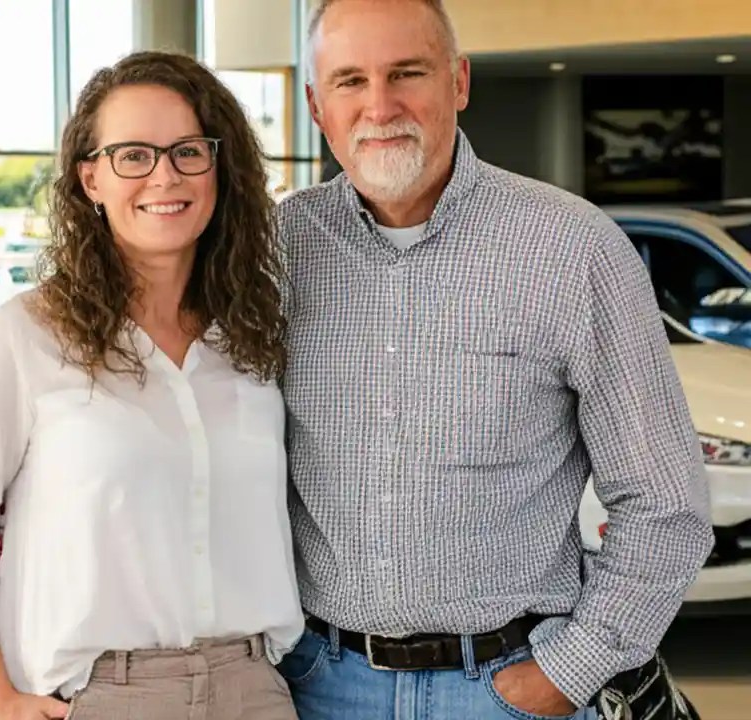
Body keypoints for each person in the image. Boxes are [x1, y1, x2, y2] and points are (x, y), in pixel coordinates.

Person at [274, 1, 714, 718]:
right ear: (317, 106)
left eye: (407, 73)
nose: (379, 106)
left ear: (459, 82)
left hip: (507, 688)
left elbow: (666, 505)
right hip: (319, 684)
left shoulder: (573, 249)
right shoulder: (277, 250)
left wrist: (567, 673)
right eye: (350, 81)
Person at [0, 50, 303, 720]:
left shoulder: (253, 337)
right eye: (133, 156)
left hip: (253, 688)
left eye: (187, 152)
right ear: (91, 178)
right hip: (106, 698)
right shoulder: (25, 338)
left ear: (220, 167)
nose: (164, 176)